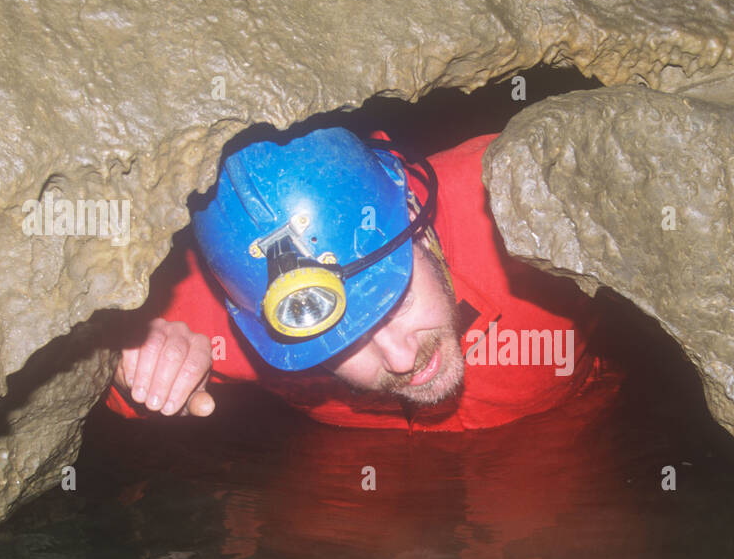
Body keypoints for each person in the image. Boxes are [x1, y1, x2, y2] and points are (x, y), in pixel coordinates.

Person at [104, 126, 618, 431]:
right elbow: (84, 379)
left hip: (576, 431)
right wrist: (131, 364)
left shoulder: (527, 204)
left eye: (392, 300)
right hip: (369, 496)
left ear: (418, 221)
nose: (399, 359)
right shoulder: (217, 321)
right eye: (337, 340)